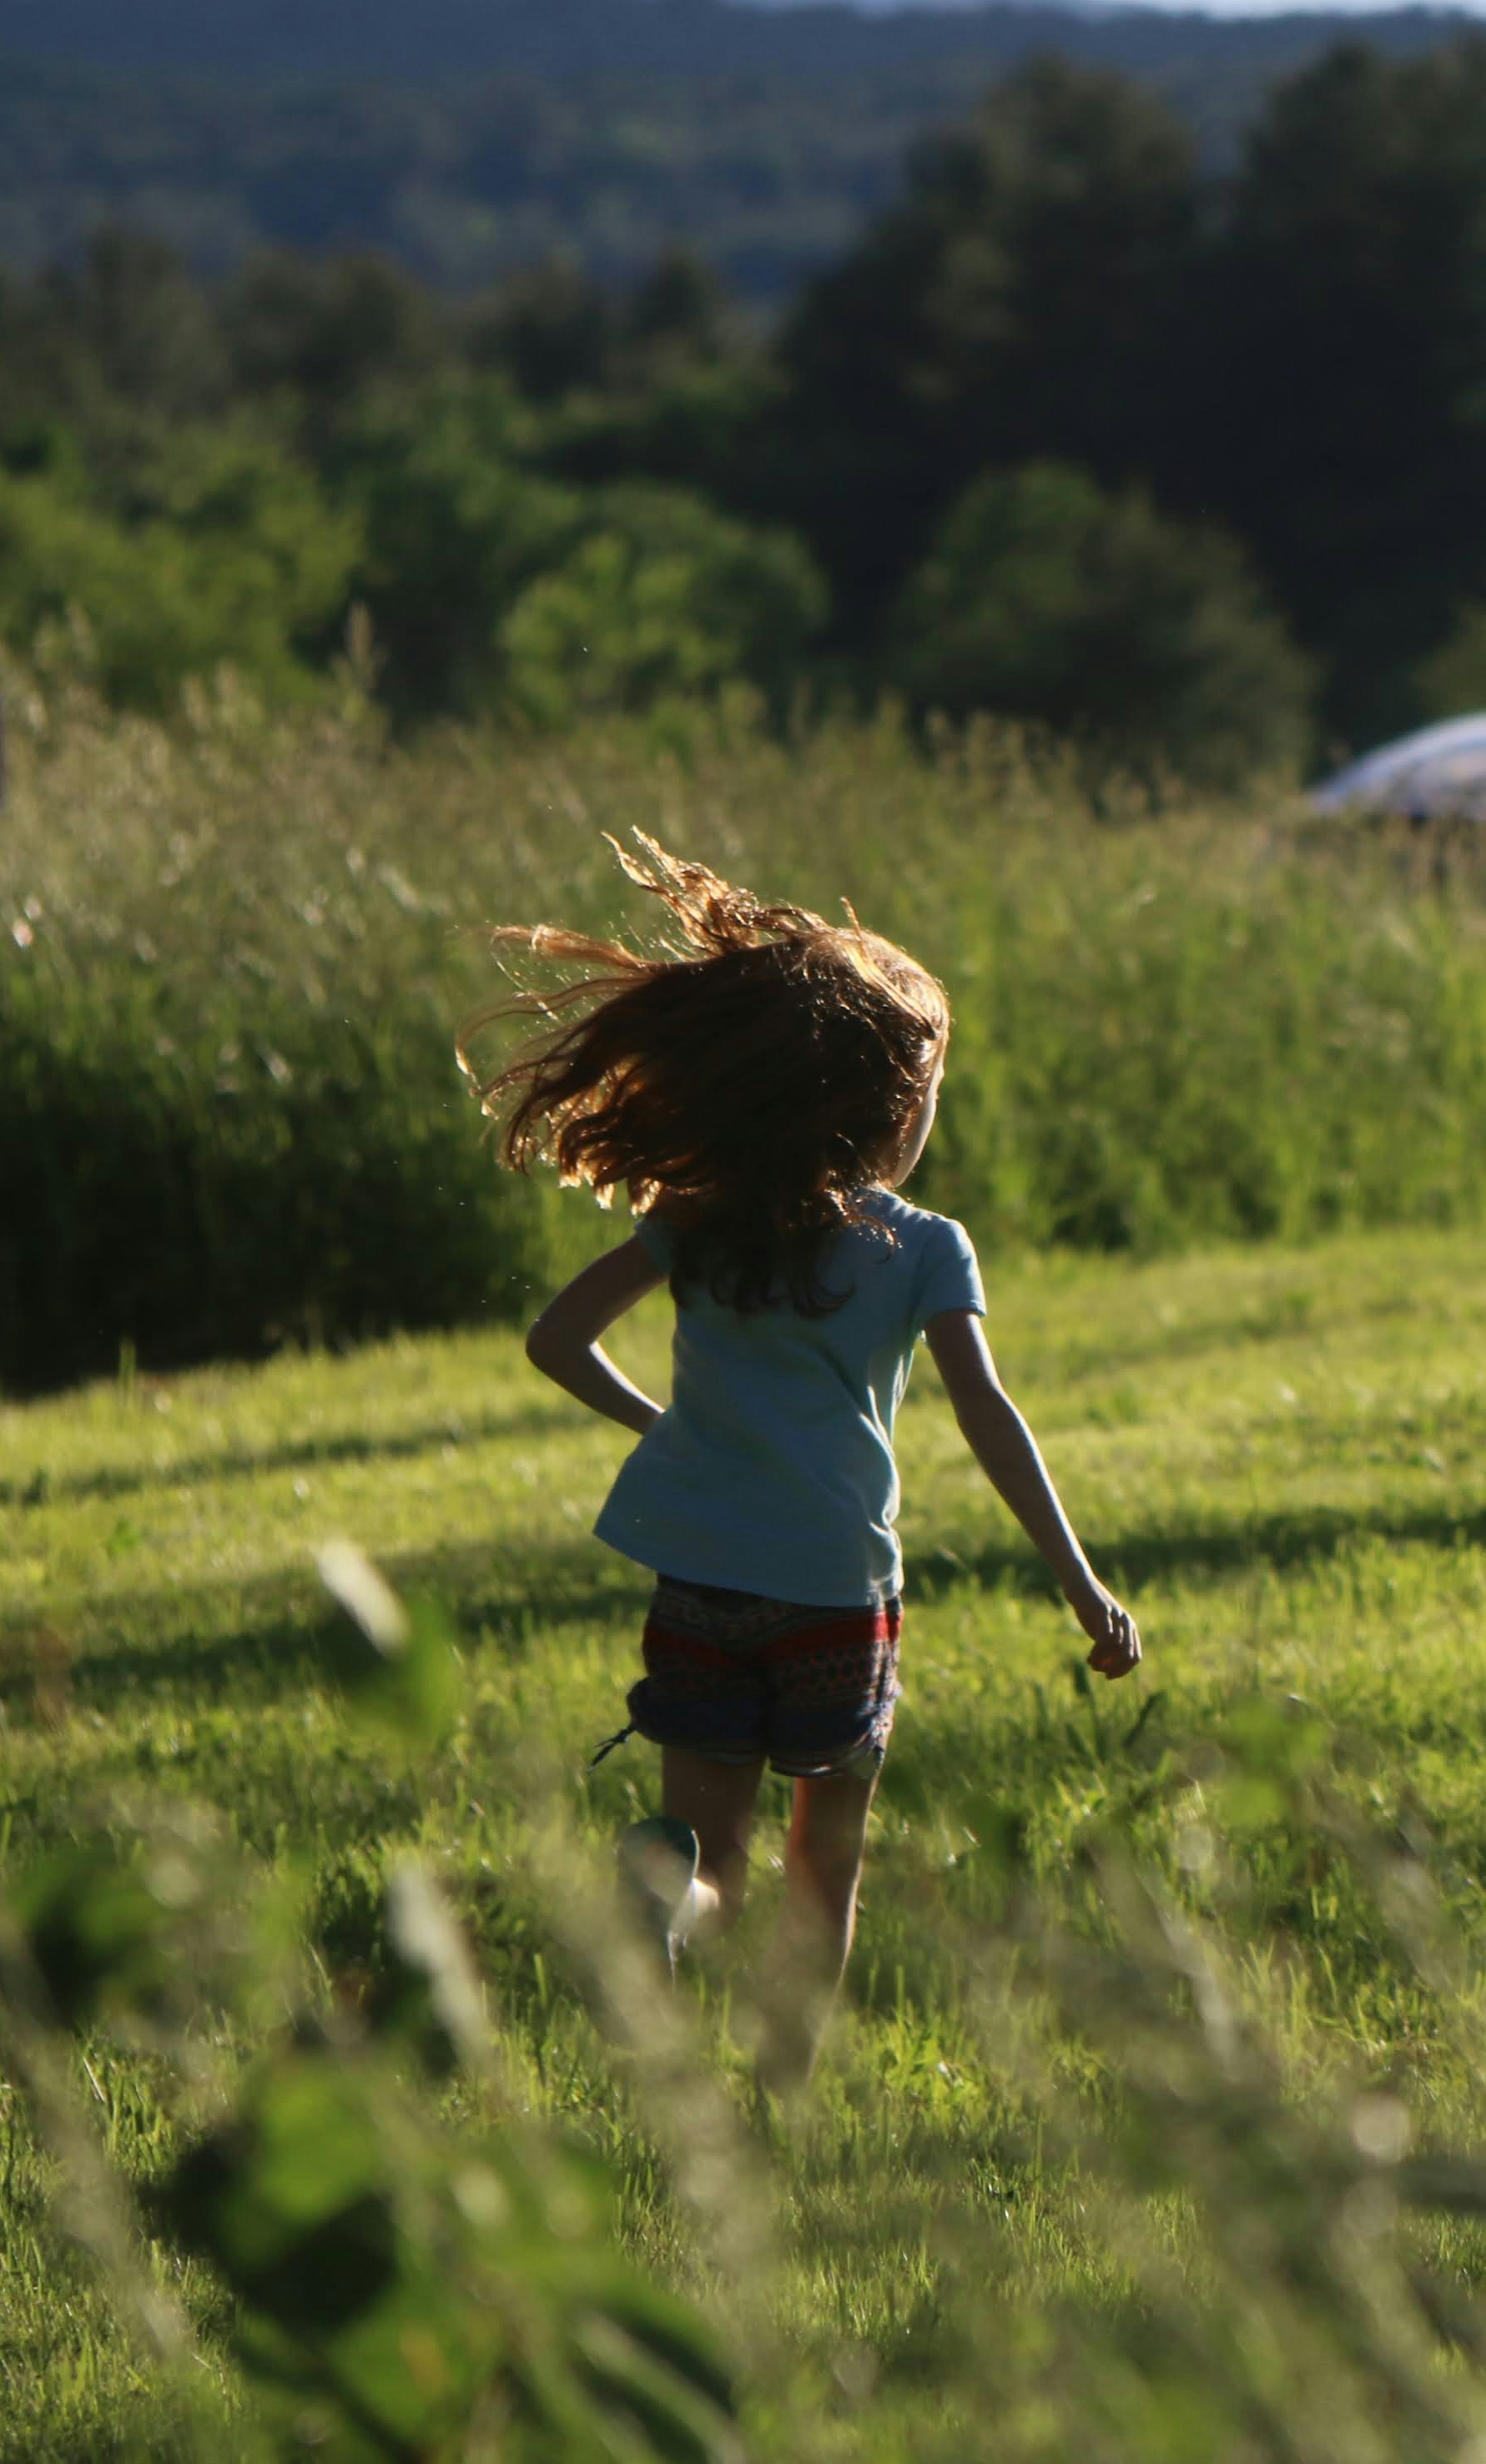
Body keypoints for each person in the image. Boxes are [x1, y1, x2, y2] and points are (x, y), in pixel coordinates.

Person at [472, 835, 1142, 2089]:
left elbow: (555, 1337)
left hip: (700, 1577)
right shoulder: (925, 1247)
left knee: (711, 1853)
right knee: (823, 1856)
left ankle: (664, 1897)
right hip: (838, 1588)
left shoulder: (698, 1218)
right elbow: (988, 1413)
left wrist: (661, 1432)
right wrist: (1080, 1580)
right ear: (894, 1109)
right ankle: (782, 2086)